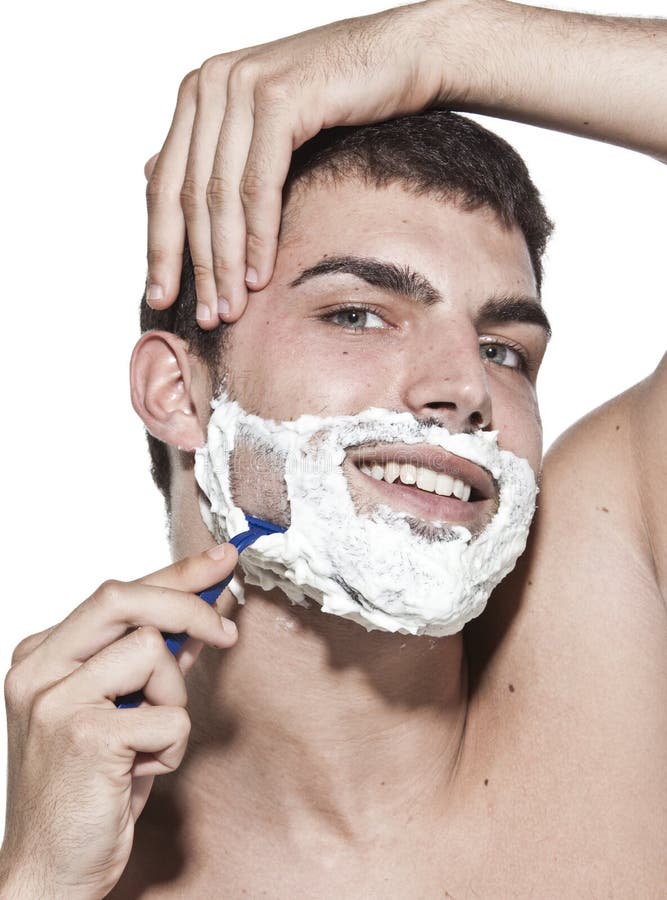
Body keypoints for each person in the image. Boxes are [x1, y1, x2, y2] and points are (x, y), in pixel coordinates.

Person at [1, 1, 665, 897]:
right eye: (356, 313)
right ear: (178, 392)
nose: (464, 386)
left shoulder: (612, 583)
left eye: (504, 349)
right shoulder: (80, 864)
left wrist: (437, 42)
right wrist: (36, 879)